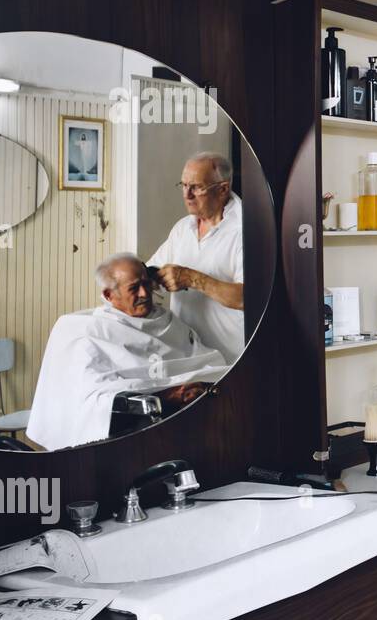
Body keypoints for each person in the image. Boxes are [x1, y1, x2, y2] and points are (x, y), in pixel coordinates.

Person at [26, 254, 227, 451]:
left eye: (146, 284)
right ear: (108, 295)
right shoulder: (90, 332)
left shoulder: (168, 321)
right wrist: (167, 395)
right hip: (135, 426)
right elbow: (98, 396)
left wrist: (195, 384)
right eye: (133, 288)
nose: (144, 294)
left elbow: (203, 360)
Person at [149, 151, 245, 364]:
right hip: (188, 357)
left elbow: (247, 297)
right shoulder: (183, 227)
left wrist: (192, 278)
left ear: (223, 189)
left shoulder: (245, 229)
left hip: (231, 359)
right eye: (183, 185)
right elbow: (153, 269)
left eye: (196, 187)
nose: (187, 194)